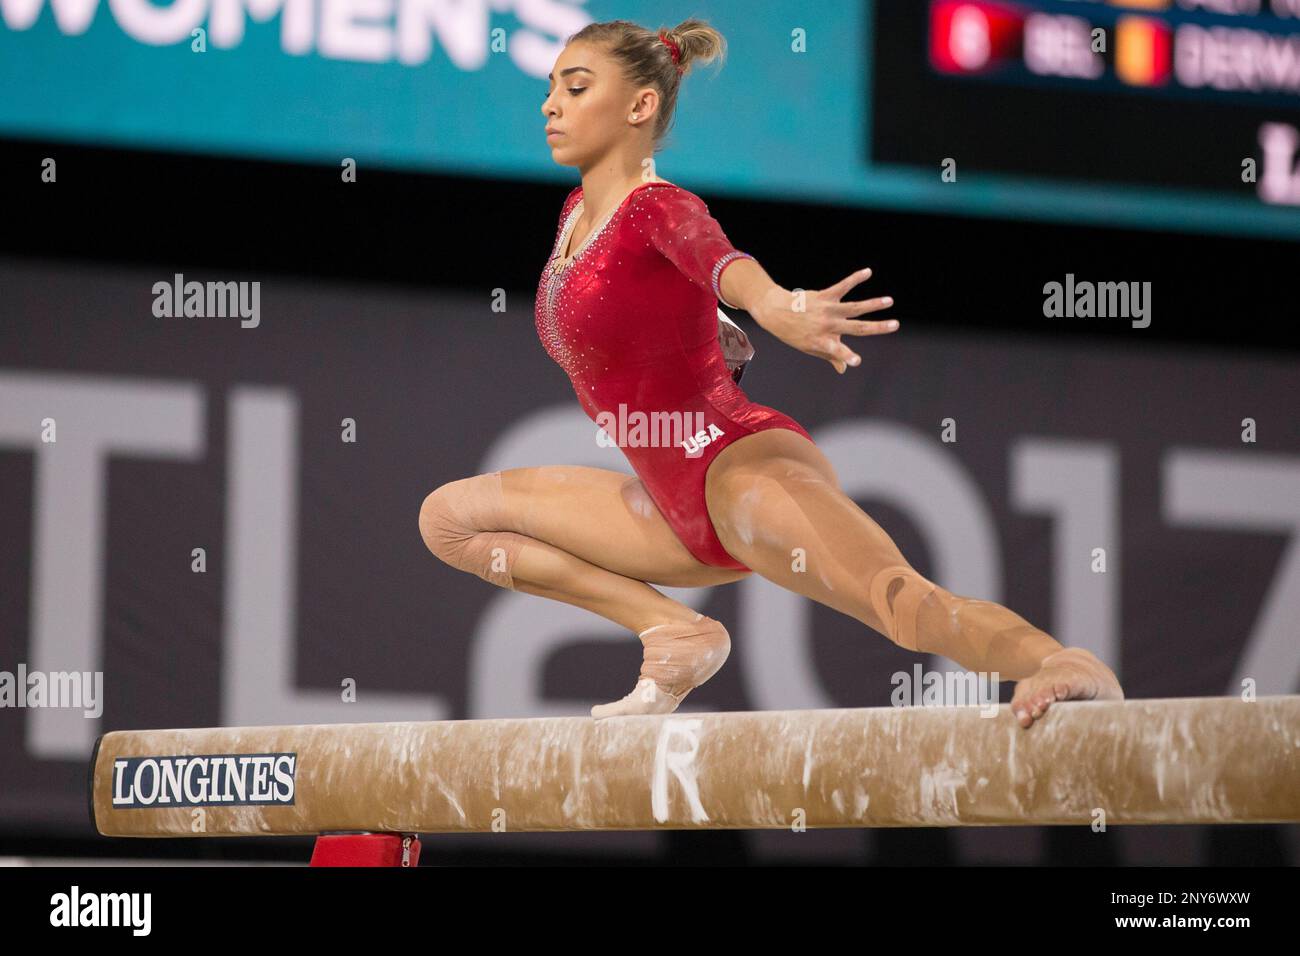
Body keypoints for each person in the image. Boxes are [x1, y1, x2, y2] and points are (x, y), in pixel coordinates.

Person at [420, 17, 1123, 726]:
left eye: (575, 87)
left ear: (640, 106)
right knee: (449, 520)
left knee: (899, 603)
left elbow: (718, 261)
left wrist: (774, 305)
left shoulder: (659, 208)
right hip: (667, 510)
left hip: (738, 473)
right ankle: (674, 633)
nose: (551, 104)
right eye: (551, 89)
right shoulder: (576, 213)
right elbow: (652, 317)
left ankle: (1059, 662)